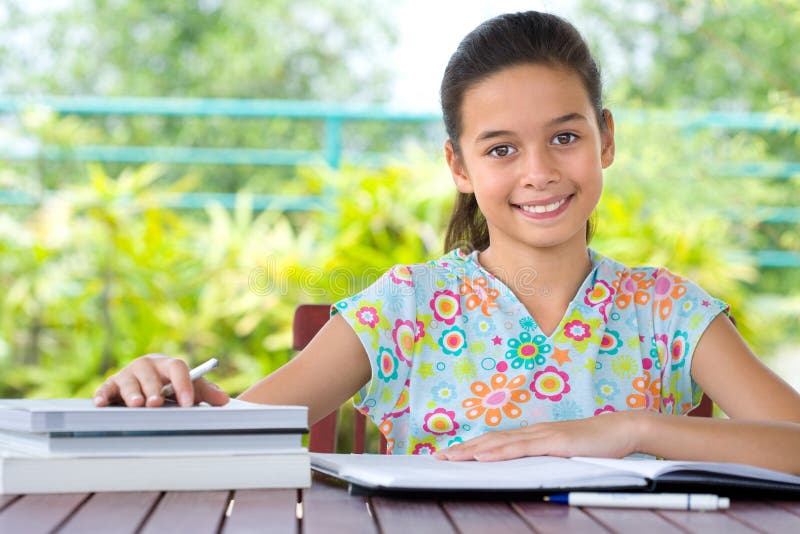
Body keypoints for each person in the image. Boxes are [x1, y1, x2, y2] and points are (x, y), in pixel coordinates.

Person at [93, 11, 800, 473]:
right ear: (459, 166)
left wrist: (632, 431)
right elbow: (236, 437)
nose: (540, 172)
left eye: (564, 136)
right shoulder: (406, 304)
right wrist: (160, 385)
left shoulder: (666, 308)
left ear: (604, 139)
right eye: (500, 149)